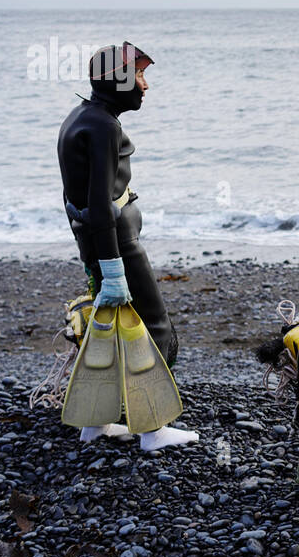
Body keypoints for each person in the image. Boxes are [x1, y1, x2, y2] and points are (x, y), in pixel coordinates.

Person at [58, 41, 197, 450]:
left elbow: (76, 198)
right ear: (118, 81)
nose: (145, 86)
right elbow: (99, 204)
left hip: (101, 239)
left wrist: (92, 251)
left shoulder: (83, 115)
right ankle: (152, 429)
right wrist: (113, 268)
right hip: (116, 242)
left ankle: (97, 422)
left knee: (110, 331)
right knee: (154, 328)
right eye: (138, 76)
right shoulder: (103, 126)